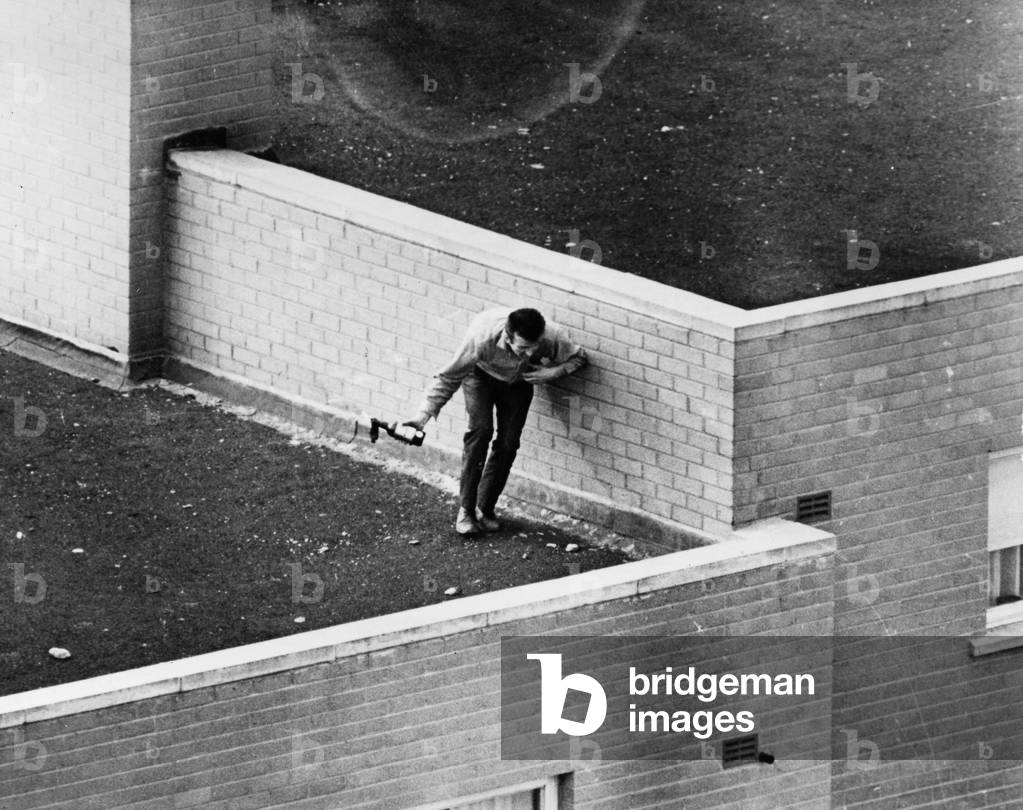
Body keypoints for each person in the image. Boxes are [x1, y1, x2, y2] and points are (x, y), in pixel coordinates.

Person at [404, 307, 588, 535]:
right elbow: (449, 377)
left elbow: (579, 357)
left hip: (519, 382)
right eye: (523, 348)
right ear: (507, 338)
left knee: (509, 443)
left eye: (534, 347)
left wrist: (553, 373)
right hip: (479, 376)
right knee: (480, 432)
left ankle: (485, 508)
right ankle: (466, 511)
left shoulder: (552, 335)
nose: (530, 353)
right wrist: (422, 417)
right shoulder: (481, 337)